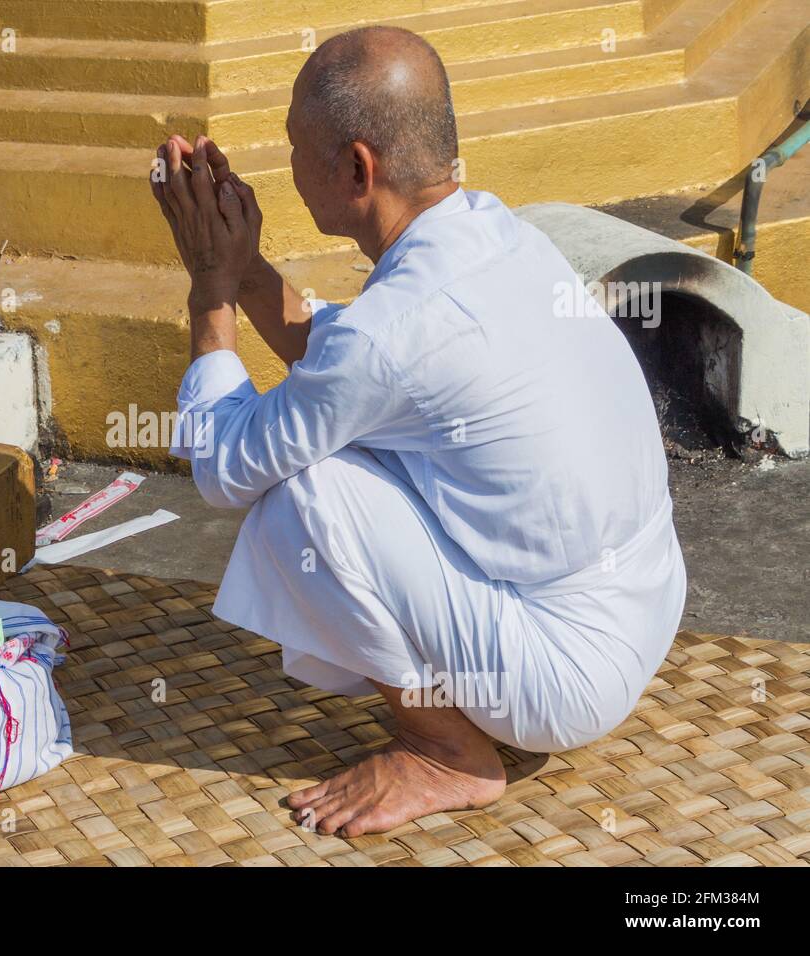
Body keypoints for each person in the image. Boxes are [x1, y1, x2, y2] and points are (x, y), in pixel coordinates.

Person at [150, 25, 686, 837]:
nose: (286, 172)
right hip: (643, 606)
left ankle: (445, 752)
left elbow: (224, 466)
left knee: (304, 485)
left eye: (297, 149)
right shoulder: (499, 234)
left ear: (356, 168)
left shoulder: (393, 331)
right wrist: (250, 269)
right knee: (330, 432)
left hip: (559, 674)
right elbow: (354, 368)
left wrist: (211, 287)